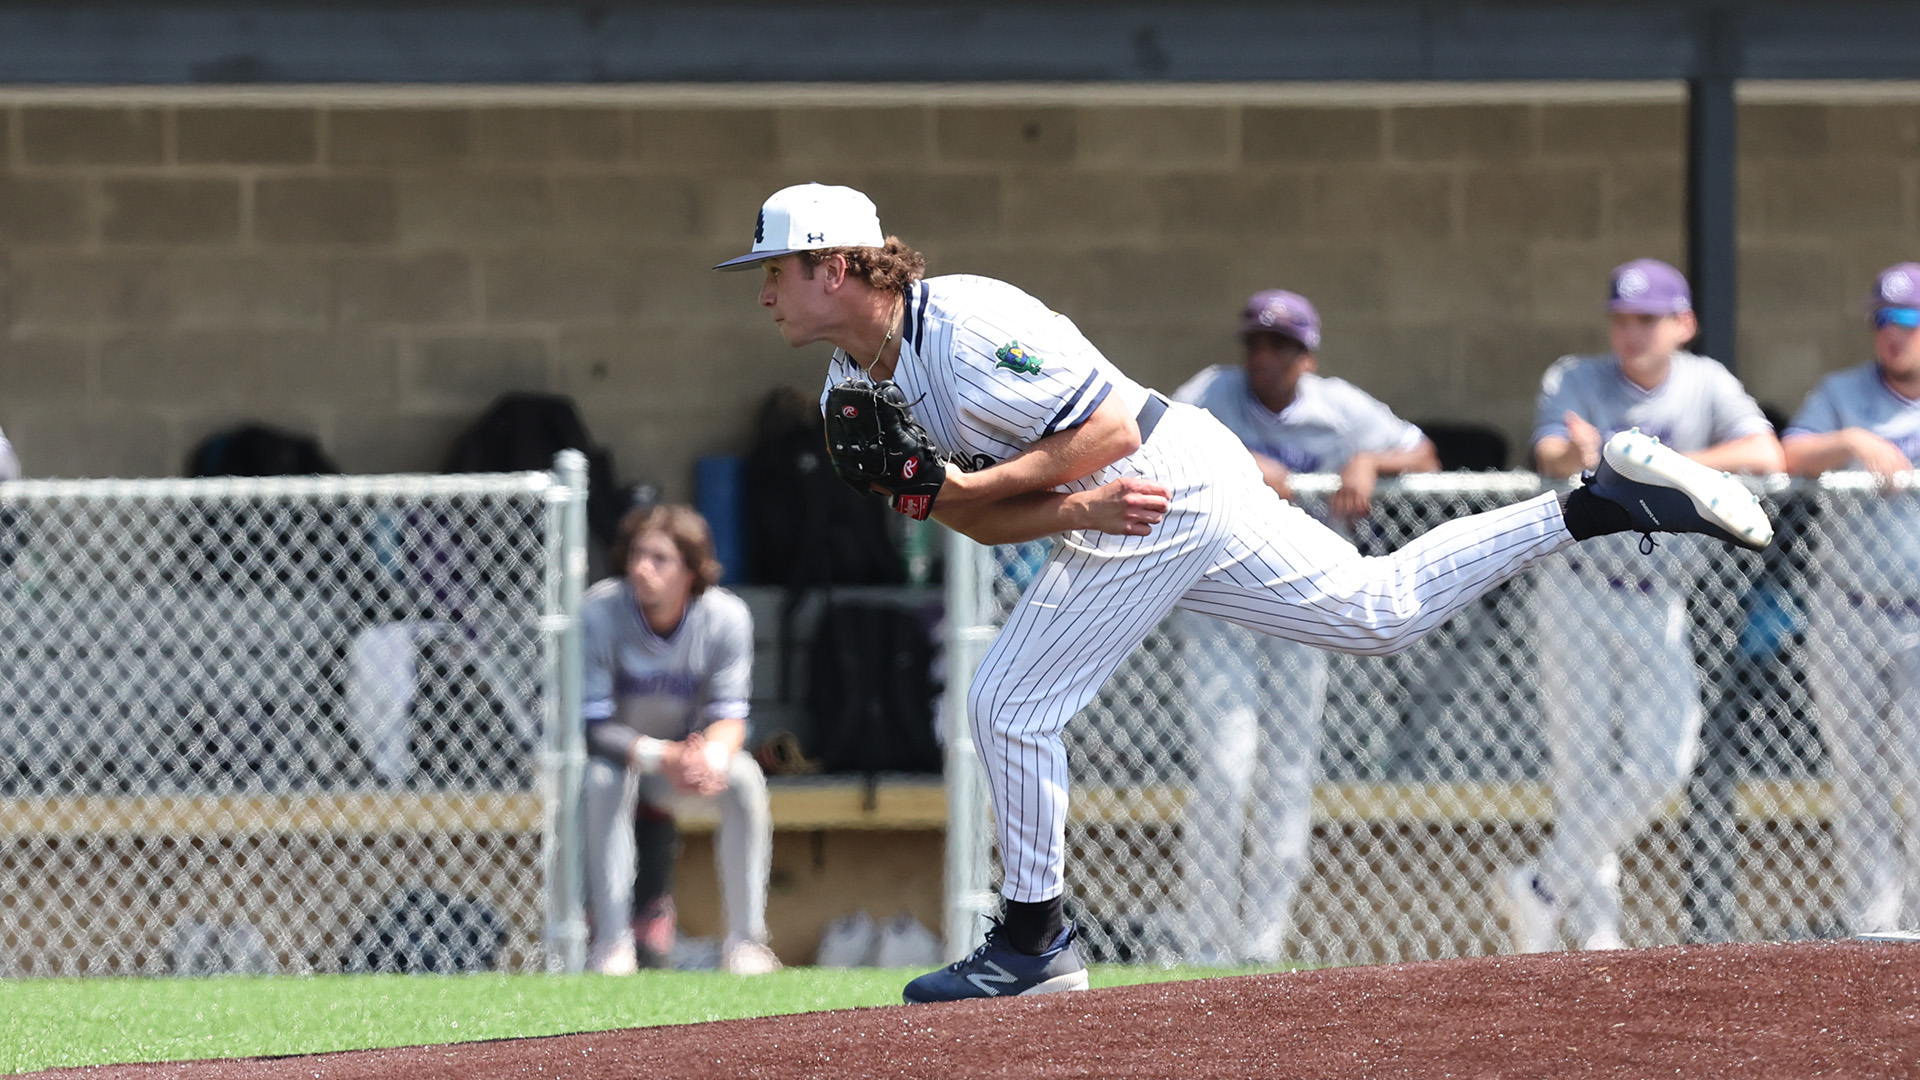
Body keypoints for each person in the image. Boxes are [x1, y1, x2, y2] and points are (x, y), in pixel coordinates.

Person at [714, 183, 1771, 1003]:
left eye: (778, 269)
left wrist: (1005, 490)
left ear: (839, 266)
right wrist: (1057, 509)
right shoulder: (850, 388)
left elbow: (1108, 429)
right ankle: (1593, 505)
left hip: (1161, 478)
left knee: (1009, 703)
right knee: (1378, 612)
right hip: (1149, 492)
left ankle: (1036, 941)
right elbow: (971, 519)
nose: (763, 292)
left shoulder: (969, 323)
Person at [1503, 258, 1784, 953]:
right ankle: (1596, 940)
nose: (1632, 332)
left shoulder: (1706, 382)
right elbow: (1547, 449)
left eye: (1649, 320)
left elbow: (1765, 450)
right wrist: (1577, 453)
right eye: (1622, 319)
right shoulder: (1577, 376)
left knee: (1665, 761)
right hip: (1578, 587)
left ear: (1683, 323)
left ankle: (1543, 885)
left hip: (1660, 598)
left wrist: (1662, 467)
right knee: (1582, 770)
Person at [1168, 289, 1439, 964]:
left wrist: (1369, 460)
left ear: (1307, 356)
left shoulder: (1339, 405)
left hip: (1301, 606)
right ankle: (1206, 942)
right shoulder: (1212, 392)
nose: (1265, 356)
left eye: (1282, 346)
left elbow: (1426, 455)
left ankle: (1262, 942)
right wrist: (1234, 464)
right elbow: (1149, 444)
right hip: (1222, 601)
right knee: (1225, 770)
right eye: (1256, 342)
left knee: (1287, 773)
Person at [579, 503, 781, 975]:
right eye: (636, 555)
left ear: (691, 570)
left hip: (684, 767)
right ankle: (612, 944)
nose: (640, 569)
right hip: (622, 761)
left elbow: (730, 716)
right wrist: (662, 755)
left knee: (744, 777)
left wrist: (710, 758)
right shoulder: (599, 609)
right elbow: (594, 725)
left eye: (659, 559)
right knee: (602, 780)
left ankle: (745, 943)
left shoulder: (726, 616)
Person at [1782, 262, 1920, 935]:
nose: (1894, 334)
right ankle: (1874, 923)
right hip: (1848, 612)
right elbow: (1787, 457)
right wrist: (1853, 440)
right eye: (1883, 321)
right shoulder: (1842, 394)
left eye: (1908, 321)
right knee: (1859, 775)